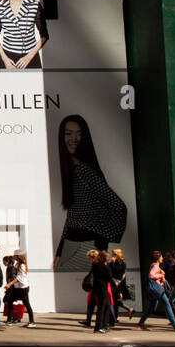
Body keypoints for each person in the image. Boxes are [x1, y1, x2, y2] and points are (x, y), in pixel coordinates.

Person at [53, 116, 127, 270]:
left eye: (79, 134)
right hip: (73, 245)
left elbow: (118, 206)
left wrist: (99, 236)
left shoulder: (83, 170)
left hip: (83, 248)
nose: (73, 139)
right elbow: (72, 216)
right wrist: (60, 250)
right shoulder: (73, 169)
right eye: (68, 134)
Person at [138, 250, 175, 332]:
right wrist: (161, 274)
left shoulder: (154, 265)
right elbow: (151, 275)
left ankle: (140, 323)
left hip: (156, 290)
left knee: (152, 307)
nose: (162, 258)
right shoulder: (155, 266)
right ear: (158, 258)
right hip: (158, 289)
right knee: (167, 305)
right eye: (161, 257)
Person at [5, 252, 36, 328]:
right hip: (17, 287)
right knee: (10, 301)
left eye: (14, 255)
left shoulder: (22, 265)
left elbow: (19, 278)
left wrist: (9, 284)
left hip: (23, 288)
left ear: (18, 256)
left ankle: (32, 321)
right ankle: (9, 320)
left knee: (26, 304)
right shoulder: (17, 264)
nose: (13, 256)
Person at [91, 250, 115, 333]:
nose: (109, 258)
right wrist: (118, 291)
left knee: (107, 305)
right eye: (108, 257)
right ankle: (98, 328)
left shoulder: (95, 265)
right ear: (105, 258)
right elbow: (110, 279)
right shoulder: (105, 267)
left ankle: (104, 325)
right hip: (102, 289)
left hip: (97, 289)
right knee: (101, 308)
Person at [110, 249, 133, 324]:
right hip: (115, 284)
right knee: (116, 301)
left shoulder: (122, 263)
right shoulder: (114, 262)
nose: (112, 256)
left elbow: (117, 274)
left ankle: (114, 318)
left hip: (118, 284)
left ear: (117, 255)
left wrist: (112, 263)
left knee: (115, 301)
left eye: (113, 254)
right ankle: (115, 318)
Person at [80, 249, 100, 327]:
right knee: (91, 305)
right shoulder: (96, 264)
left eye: (89, 258)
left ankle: (106, 322)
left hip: (96, 288)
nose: (89, 260)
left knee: (97, 306)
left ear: (93, 257)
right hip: (95, 288)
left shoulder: (96, 264)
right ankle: (88, 321)